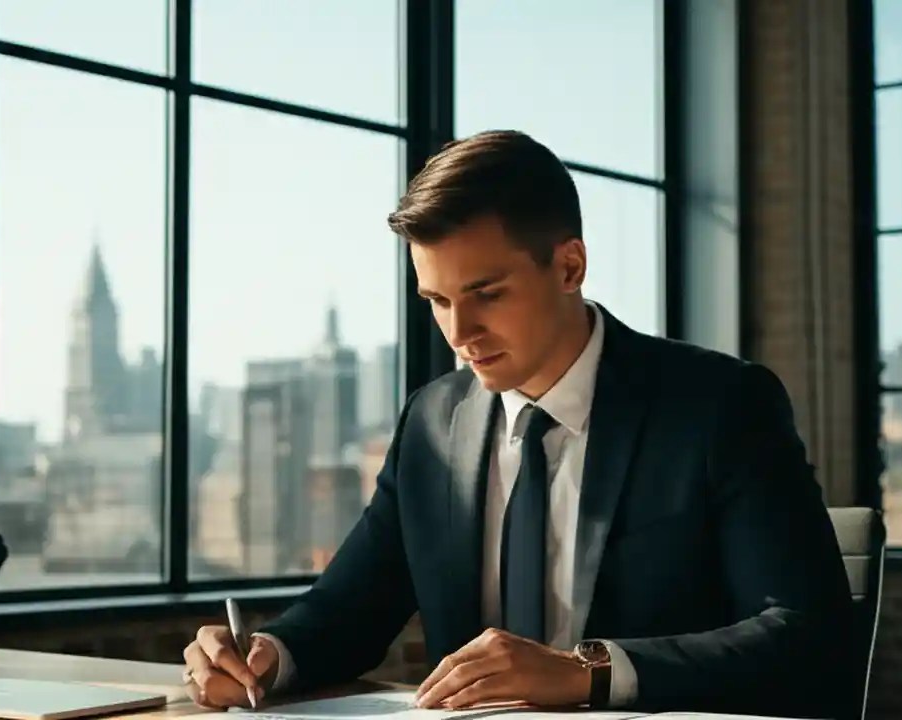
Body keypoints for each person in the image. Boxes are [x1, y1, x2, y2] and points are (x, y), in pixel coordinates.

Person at [183, 130, 854, 718]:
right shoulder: (432, 425)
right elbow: (349, 611)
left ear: (569, 265)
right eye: (437, 300)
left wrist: (586, 672)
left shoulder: (719, 406)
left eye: (486, 294)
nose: (459, 333)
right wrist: (265, 655)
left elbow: (807, 635)